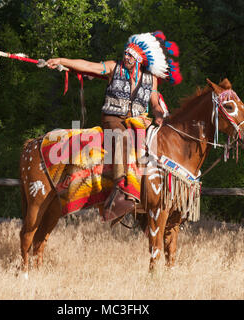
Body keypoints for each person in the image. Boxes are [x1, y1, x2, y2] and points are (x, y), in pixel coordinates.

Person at [46, 32, 170, 221]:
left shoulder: (150, 78)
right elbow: (88, 66)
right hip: (113, 118)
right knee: (122, 139)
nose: (125, 57)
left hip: (137, 121)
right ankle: (120, 189)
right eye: (126, 53)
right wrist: (61, 60)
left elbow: (154, 102)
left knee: (155, 145)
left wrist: (160, 116)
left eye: (130, 55)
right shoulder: (114, 67)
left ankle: (152, 192)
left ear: (138, 60)